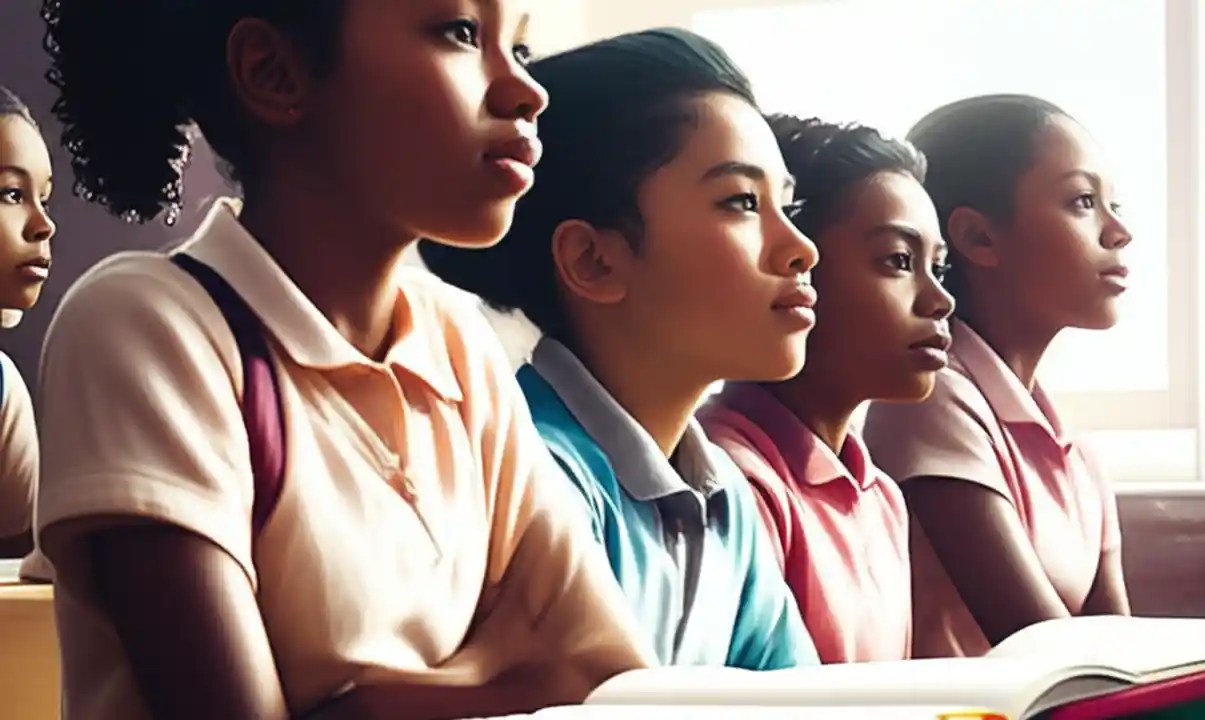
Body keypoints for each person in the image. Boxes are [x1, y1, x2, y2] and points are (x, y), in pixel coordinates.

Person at [35, 2, 650, 718]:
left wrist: (362, 703)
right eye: (460, 33)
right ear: (274, 72)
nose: (527, 91)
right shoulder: (149, 326)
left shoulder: (460, 344)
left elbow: (606, 675)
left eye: (519, 48)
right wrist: (505, 677)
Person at [423, 28, 820, 669]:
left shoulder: (724, 497)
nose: (801, 248)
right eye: (742, 202)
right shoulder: (528, 475)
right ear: (594, 260)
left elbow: (797, 702)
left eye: (789, 205)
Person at [863, 94, 1133, 659]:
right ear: (978, 238)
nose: (1118, 232)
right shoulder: (930, 399)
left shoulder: (1075, 453)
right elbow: (1046, 651)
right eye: (1083, 202)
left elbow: (1120, 655)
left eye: (1114, 204)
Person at [700, 115, 954, 663]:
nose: (940, 300)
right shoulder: (733, 481)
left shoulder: (882, 496)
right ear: (797, 266)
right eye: (898, 261)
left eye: (939, 267)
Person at [0, 85, 55, 578]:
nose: (43, 225)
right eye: (12, 194)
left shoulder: (2, 388)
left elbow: (28, 584)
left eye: (45, 198)